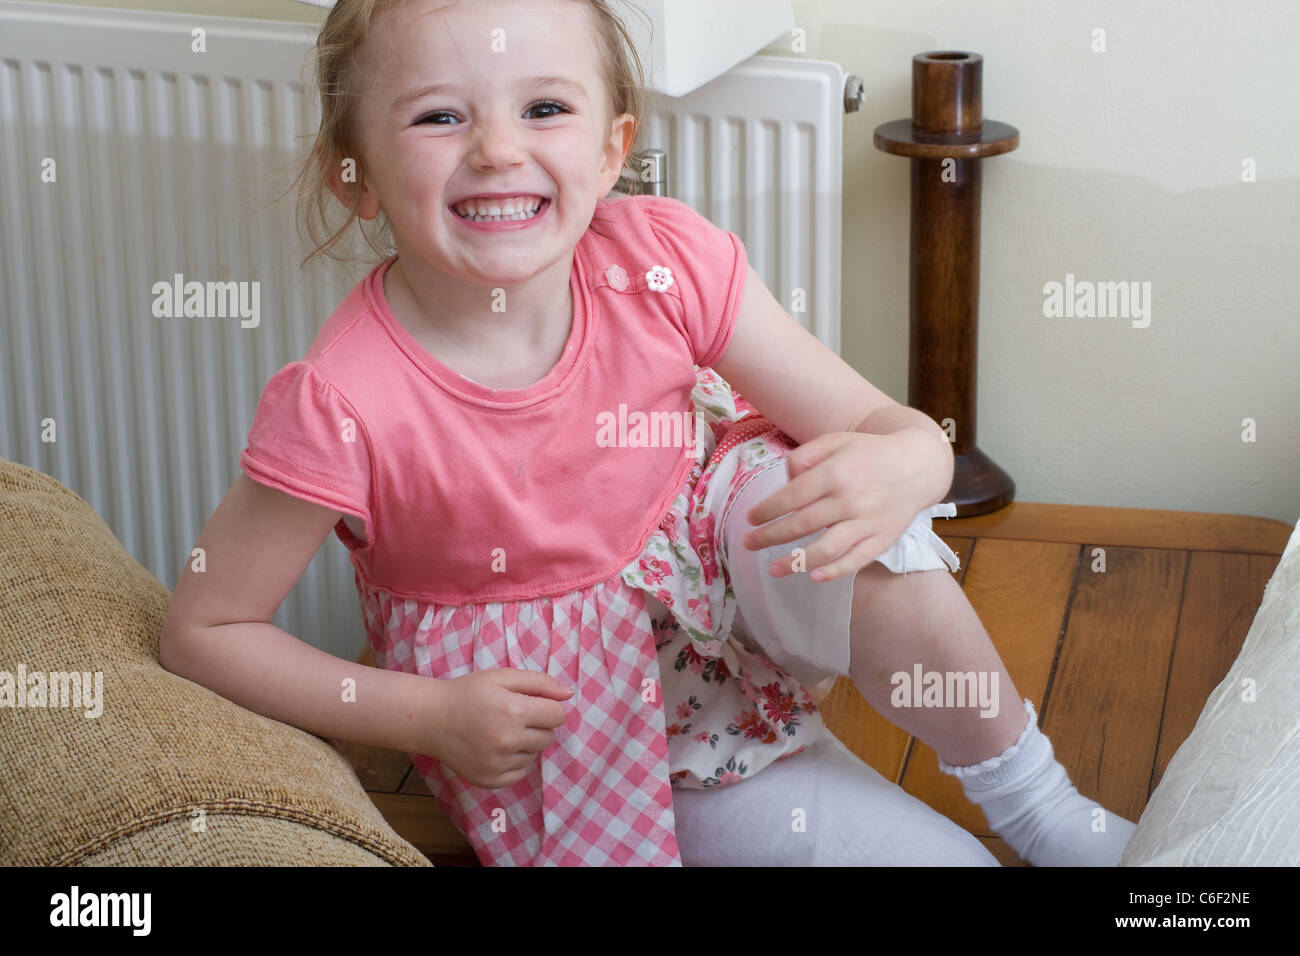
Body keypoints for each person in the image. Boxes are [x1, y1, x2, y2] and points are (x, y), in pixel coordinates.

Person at [161, 0, 1138, 867]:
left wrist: (911, 460)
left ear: (610, 147)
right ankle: (785, 762)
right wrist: (428, 716)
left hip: (734, 609)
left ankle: (1043, 810)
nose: (498, 148)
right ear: (356, 175)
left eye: (543, 108)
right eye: (438, 115)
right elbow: (204, 630)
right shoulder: (342, 396)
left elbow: (881, 424)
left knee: (857, 511)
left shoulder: (661, 257)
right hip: (598, 749)